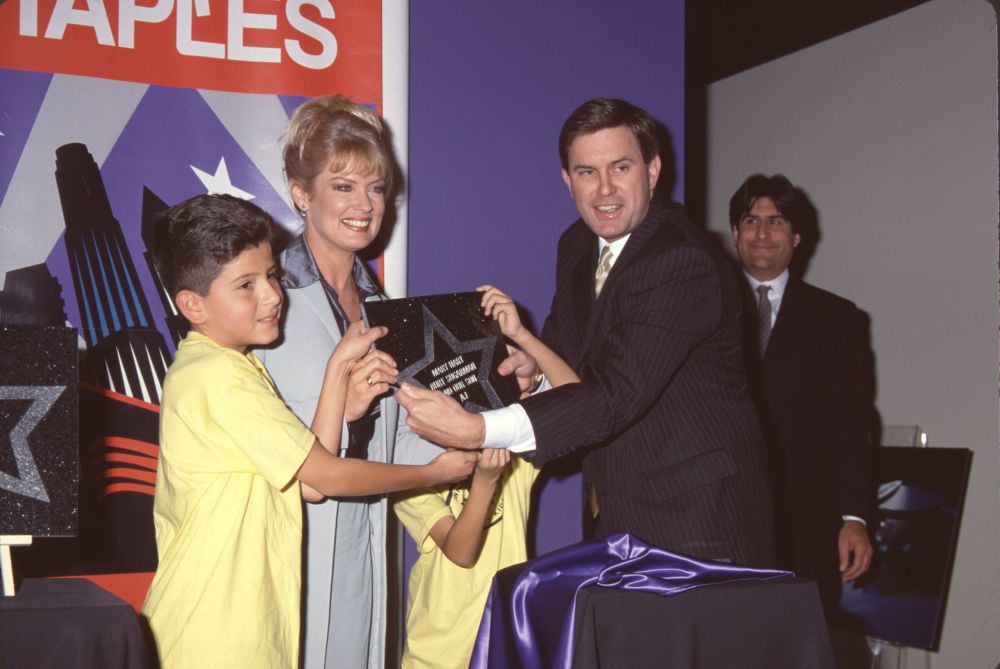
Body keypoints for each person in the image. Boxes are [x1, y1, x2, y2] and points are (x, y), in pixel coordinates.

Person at [398, 97, 775, 567]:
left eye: (621, 167)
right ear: (566, 179)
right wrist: (532, 368)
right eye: (586, 172)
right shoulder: (578, 243)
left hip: (698, 526)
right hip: (615, 513)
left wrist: (479, 430)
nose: (604, 190)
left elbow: (614, 393)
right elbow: (571, 353)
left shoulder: (682, 261)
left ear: (653, 171)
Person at [140, 194, 477, 668]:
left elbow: (308, 485)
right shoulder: (216, 377)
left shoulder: (227, 367)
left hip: (250, 628)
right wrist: (432, 474)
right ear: (192, 305)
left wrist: (338, 371)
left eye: (272, 276)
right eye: (246, 285)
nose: (273, 295)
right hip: (212, 633)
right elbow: (327, 477)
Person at [254, 94, 443, 669]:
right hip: (292, 541)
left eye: (376, 188)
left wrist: (494, 402)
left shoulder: (386, 308)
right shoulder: (266, 302)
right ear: (301, 192)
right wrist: (347, 409)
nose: (365, 205)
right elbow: (271, 449)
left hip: (366, 543)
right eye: (343, 186)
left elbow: (405, 435)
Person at [394, 285, 578, 669]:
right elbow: (460, 551)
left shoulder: (512, 450)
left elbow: (578, 403)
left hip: (505, 640)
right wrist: (485, 482)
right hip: (439, 654)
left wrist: (522, 338)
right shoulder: (412, 472)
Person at [728, 173, 873, 614]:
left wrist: (854, 517)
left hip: (806, 522)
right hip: (723, 517)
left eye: (776, 221)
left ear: (796, 235)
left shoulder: (837, 318)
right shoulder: (703, 308)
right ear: (735, 234)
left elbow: (851, 423)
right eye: (751, 220)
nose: (762, 233)